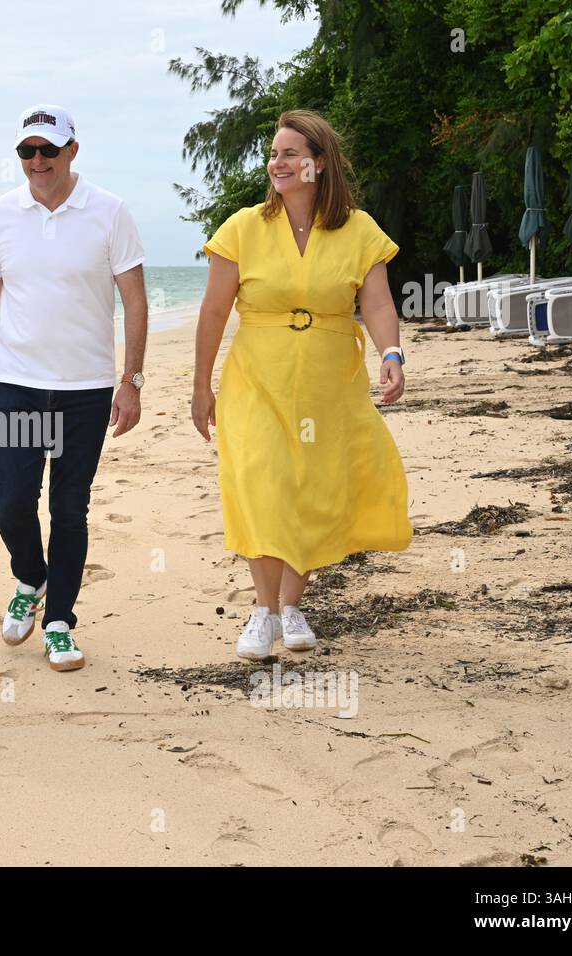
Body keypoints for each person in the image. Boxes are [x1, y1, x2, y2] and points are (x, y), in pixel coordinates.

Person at [190, 108, 412, 661]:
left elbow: (378, 301)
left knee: (309, 488)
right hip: (255, 380)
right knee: (262, 485)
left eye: (290, 153)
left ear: (320, 163)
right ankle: (263, 612)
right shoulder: (242, 228)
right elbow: (215, 312)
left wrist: (391, 353)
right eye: (273, 153)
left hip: (326, 382)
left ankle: (292, 605)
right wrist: (201, 385)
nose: (277, 162)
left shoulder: (358, 230)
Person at [0, 104, 147, 674]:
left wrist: (132, 380)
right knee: (13, 503)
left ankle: (61, 621)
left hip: (85, 391)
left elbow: (135, 300)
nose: (37, 161)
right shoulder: (1, 214)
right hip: (19, 386)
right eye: (27, 151)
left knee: (69, 508)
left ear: (72, 151)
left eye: (47, 150)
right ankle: (31, 576)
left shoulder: (110, 212)